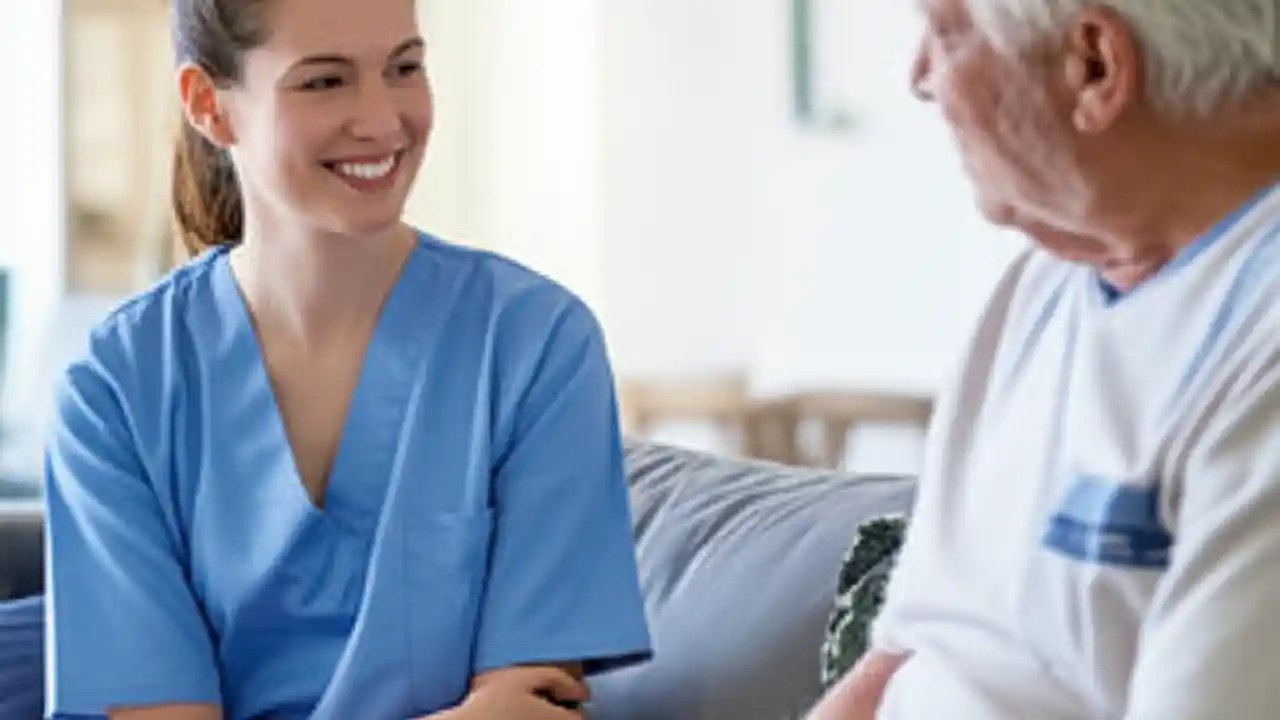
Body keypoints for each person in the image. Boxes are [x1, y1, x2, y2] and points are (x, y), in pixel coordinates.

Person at [43, 0, 652, 717]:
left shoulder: (537, 346)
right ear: (209, 105)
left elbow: (530, 706)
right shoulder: (115, 390)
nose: (382, 120)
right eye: (325, 81)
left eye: (404, 68)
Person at [810, 0, 1280, 718]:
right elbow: (908, 651)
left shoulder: (1259, 341)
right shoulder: (1041, 284)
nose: (921, 78)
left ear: (1094, 66)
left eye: (947, 33)